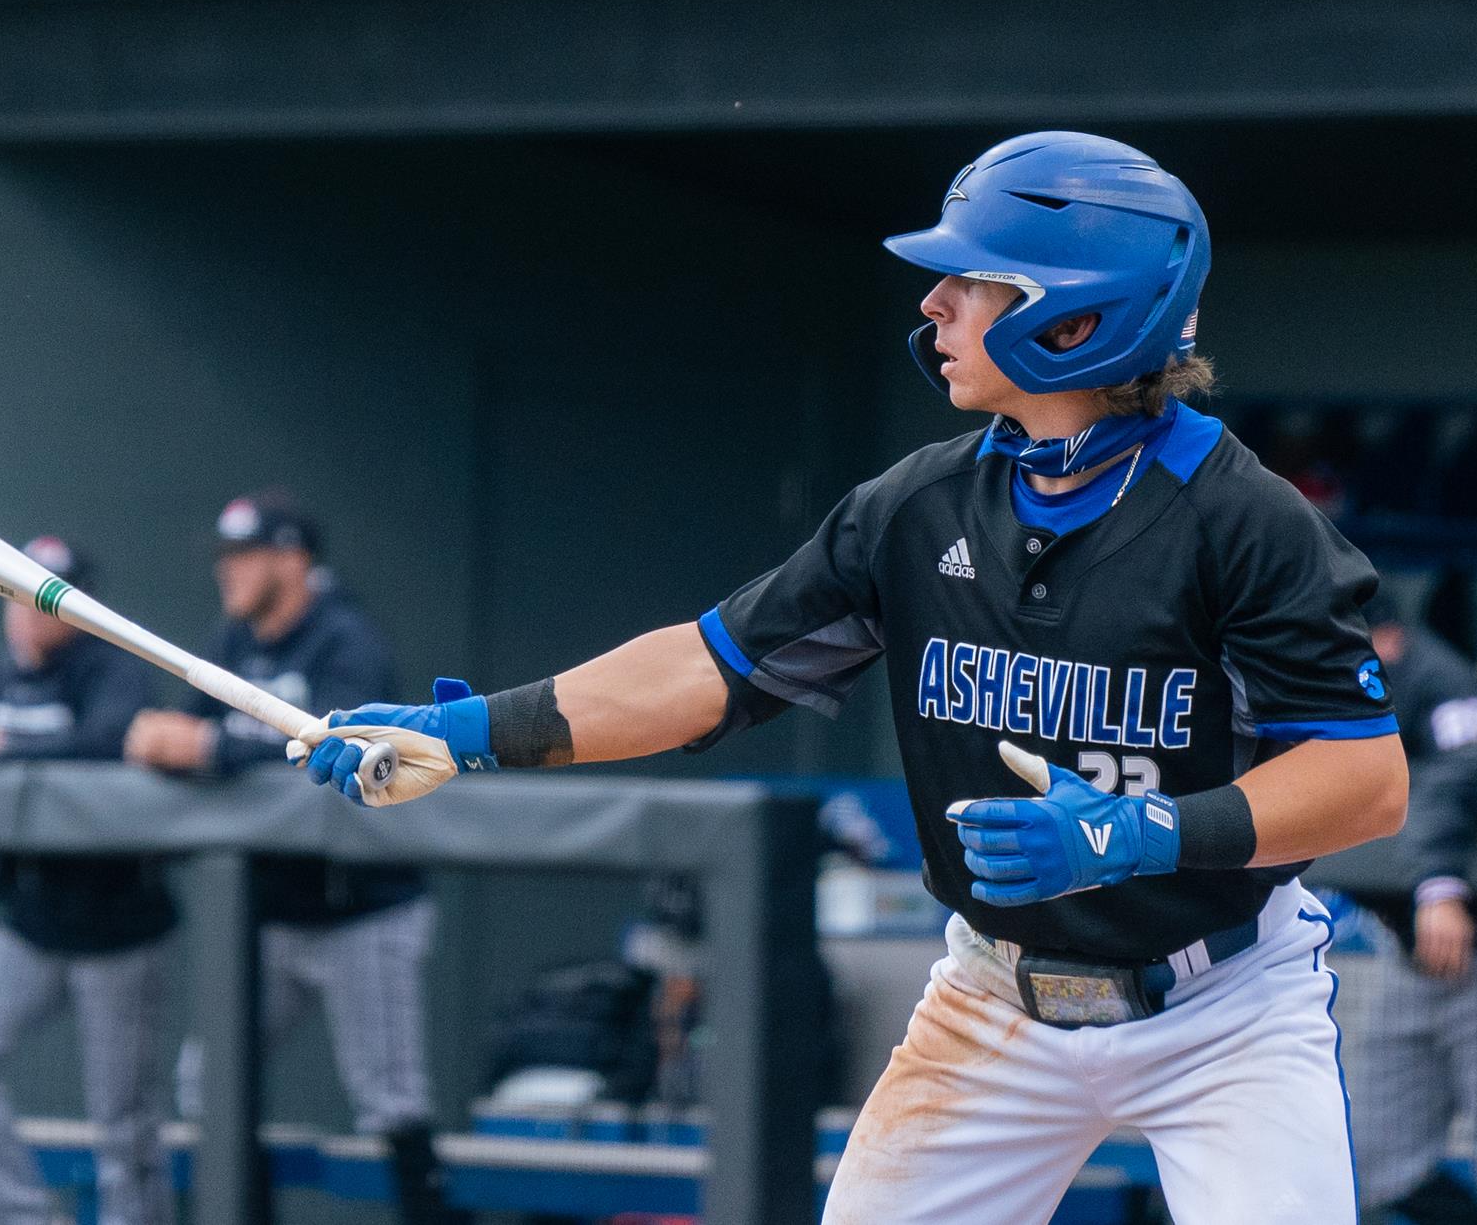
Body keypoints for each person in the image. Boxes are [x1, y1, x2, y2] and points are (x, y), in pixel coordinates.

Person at [296, 131, 1409, 1224]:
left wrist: (1142, 834)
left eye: (971, 282)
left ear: (1075, 318)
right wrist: (471, 734)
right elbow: (708, 664)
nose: (932, 305)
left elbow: (1364, 781)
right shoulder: (915, 505)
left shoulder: (1244, 521)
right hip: (996, 996)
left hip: (1220, 1006)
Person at [122, 493, 462, 1225]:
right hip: (274, 911)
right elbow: (191, 727)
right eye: (226, 555)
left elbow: (343, 739)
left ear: (294, 560)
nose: (230, 570)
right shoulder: (234, 642)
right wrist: (166, 738)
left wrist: (210, 746)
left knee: (389, 1097)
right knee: (207, 1081)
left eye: (246, 555)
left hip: (364, 906)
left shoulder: (346, 640)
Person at [0, 536, 176, 1225]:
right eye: (13, 594)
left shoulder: (112, 665)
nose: (23, 611)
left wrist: (0, 748)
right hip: (30, 921)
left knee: (122, 1116)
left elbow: (105, 742)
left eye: (39, 598)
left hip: (115, 924)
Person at [1349, 593, 1477, 1225]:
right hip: (1409, 952)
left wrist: (1439, 885)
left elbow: (1459, 778)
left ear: (1386, 638)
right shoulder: (1345, 691)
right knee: (1384, 1167)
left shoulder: (1443, 682)